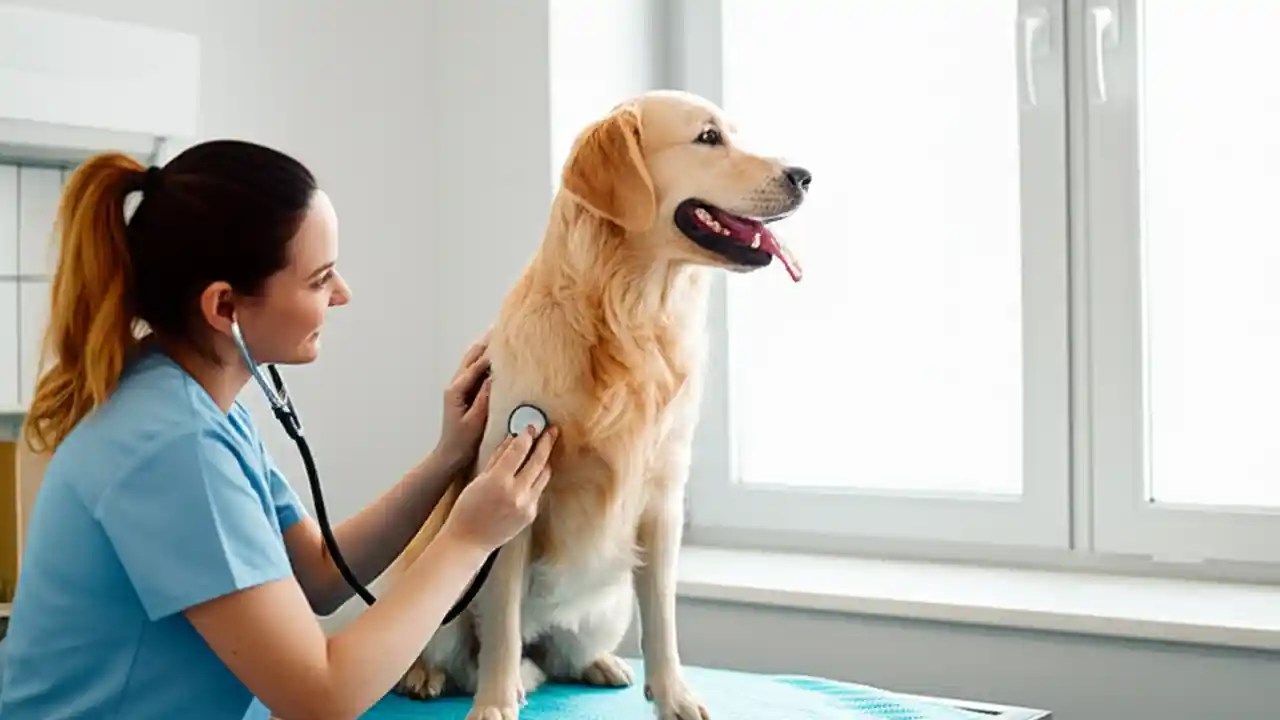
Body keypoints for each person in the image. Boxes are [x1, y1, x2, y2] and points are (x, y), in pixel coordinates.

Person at [0, 140, 559, 719]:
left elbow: (320, 573)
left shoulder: (196, 405)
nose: (342, 294)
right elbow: (321, 696)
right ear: (225, 307)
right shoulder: (171, 445)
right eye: (319, 279)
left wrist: (447, 460)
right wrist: (470, 539)